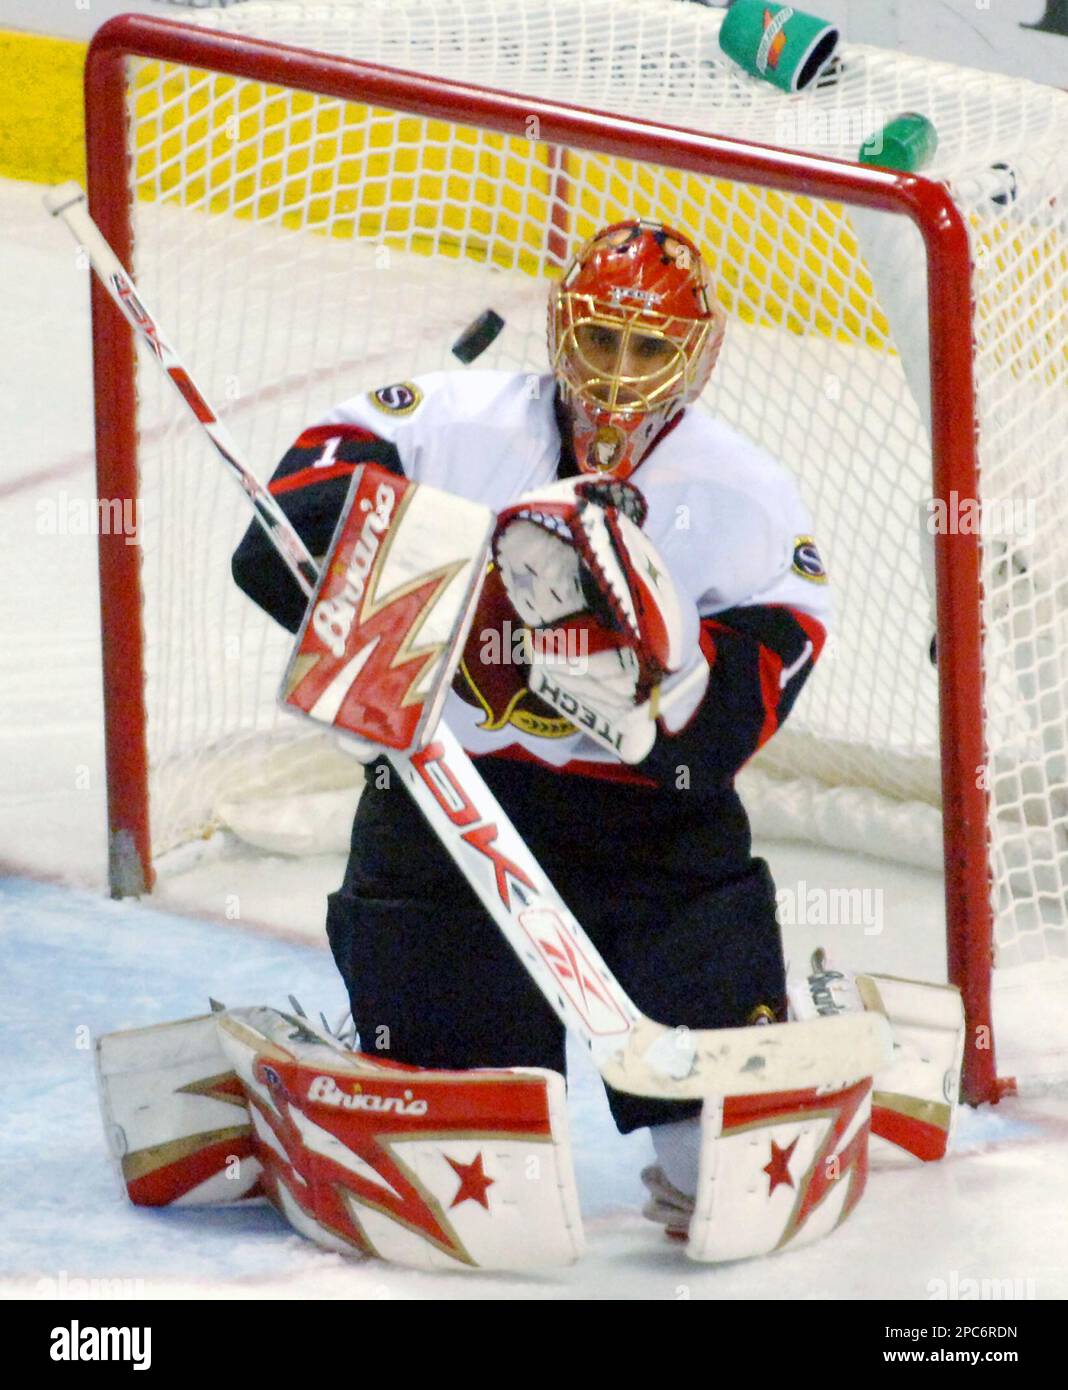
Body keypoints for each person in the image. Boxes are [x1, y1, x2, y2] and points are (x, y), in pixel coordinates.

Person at [232, 219, 830, 1224]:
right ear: (560, 332)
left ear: (700, 355)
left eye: (647, 348)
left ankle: (792, 1025)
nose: (616, 376)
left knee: (724, 1185)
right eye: (599, 340)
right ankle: (330, 1076)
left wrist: (662, 690)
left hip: (651, 832)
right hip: (446, 812)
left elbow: (737, 719)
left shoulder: (749, 499)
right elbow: (273, 543)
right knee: (471, 1182)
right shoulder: (450, 422)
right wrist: (428, 589)